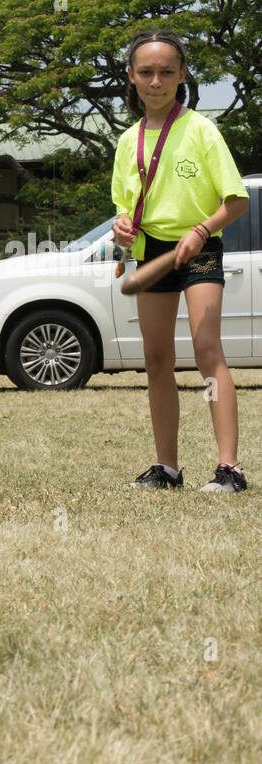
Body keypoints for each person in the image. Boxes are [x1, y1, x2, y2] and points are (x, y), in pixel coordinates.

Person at [112, 30, 250, 493]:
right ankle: (166, 468)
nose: (156, 81)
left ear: (182, 75)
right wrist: (121, 229)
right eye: (146, 72)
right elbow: (124, 209)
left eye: (166, 72)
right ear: (131, 77)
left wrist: (201, 230)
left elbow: (236, 201)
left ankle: (229, 469)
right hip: (151, 254)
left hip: (199, 249)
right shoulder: (127, 140)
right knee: (155, 359)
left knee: (206, 350)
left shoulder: (201, 129)